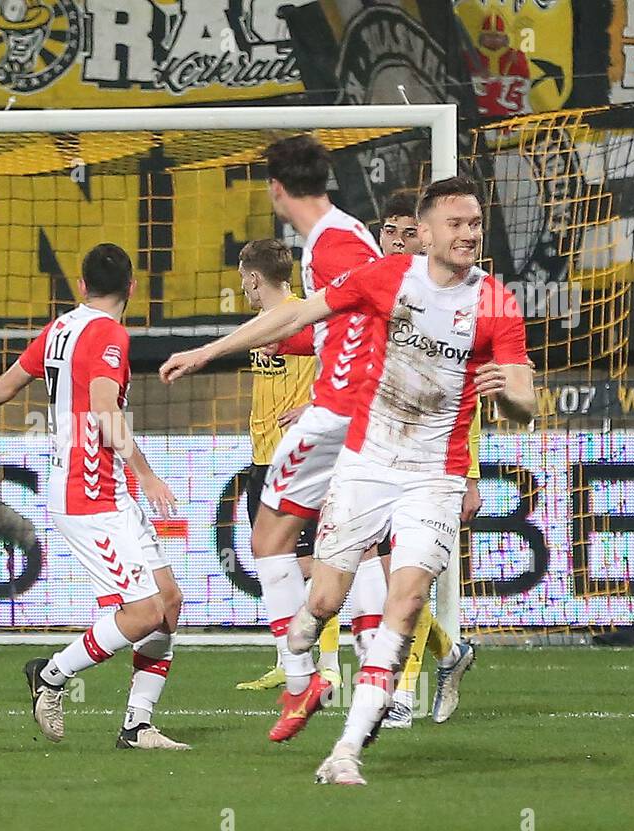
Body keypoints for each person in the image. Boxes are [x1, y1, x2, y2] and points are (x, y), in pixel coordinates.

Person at [159, 175, 536, 785]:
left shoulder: (494, 300)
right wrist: (207, 352)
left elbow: (524, 395)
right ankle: (304, 635)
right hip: (367, 462)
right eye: (457, 224)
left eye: (475, 224)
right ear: (428, 230)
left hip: (435, 475)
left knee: (406, 600)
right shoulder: (387, 279)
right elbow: (296, 314)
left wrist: (510, 400)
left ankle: (346, 751)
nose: (468, 234)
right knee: (326, 601)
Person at [0, 243, 189, 751]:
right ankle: (51, 675)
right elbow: (107, 413)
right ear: (133, 287)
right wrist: (148, 475)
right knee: (146, 611)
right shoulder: (108, 334)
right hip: (90, 496)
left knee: (169, 602)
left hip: (106, 493)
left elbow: (7, 384)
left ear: (81, 286)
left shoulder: (61, 328)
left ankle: (137, 725)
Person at [242, 136, 382, 743]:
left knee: (270, 540)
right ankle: (378, 685)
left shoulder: (335, 242)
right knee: (357, 551)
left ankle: (302, 678)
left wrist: (334, 397)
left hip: (341, 412)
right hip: (367, 410)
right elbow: (343, 319)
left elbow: (377, 314)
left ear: (276, 189)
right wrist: (300, 343)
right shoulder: (333, 237)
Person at [372, 191, 483, 729]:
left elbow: (467, 400)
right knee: (379, 582)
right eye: (388, 230)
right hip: (376, 464)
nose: (395, 240)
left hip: (433, 470)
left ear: (427, 238)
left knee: (404, 582)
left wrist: (470, 477)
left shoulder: (463, 301)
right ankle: (450, 652)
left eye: (405, 232)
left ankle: (400, 691)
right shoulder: (381, 292)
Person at [229, 239, 342, 693]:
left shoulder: (309, 318)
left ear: (254, 278)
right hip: (264, 461)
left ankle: (329, 662)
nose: (242, 287)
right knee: (276, 561)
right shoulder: (258, 326)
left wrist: (315, 402)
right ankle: (289, 661)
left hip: (302, 462)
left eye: (243, 279)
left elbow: (345, 366)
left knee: (317, 562)